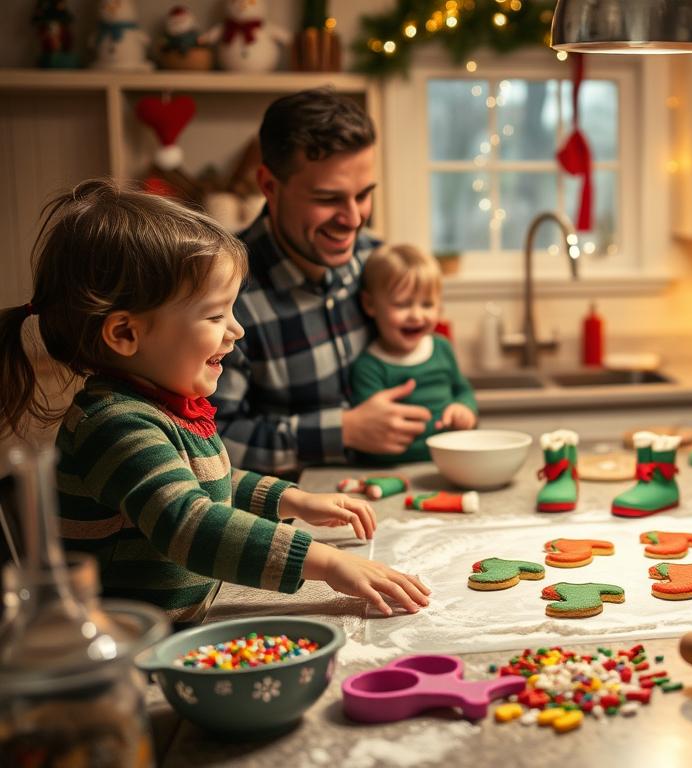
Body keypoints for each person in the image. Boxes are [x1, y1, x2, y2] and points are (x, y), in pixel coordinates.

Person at [0, 180, 431, 623]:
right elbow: (190, 522)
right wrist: (325, 562)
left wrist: (293, 500)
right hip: (138, 649)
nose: (236, 330)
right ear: (126, 334)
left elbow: (211, 480)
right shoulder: (113, 424)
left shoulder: (156, 405)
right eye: (214, 315)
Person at [211, 88, 433, 476]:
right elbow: (210, 441)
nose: (353, 219)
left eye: (363, 195)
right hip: (289, 522)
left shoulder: (375, 262)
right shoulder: (225, 295)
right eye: (328, 199)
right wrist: (342, 431)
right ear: (269, 186)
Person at [351, 243, 477, 464]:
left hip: (451, 464)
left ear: (440, 307)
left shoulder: (442, 348)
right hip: (395, 470)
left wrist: (464, 409)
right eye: (402, 305)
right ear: (370, 304)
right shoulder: (369, 367)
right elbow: (372, 439)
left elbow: (463, 390)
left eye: (427, 304)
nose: (416, 315)